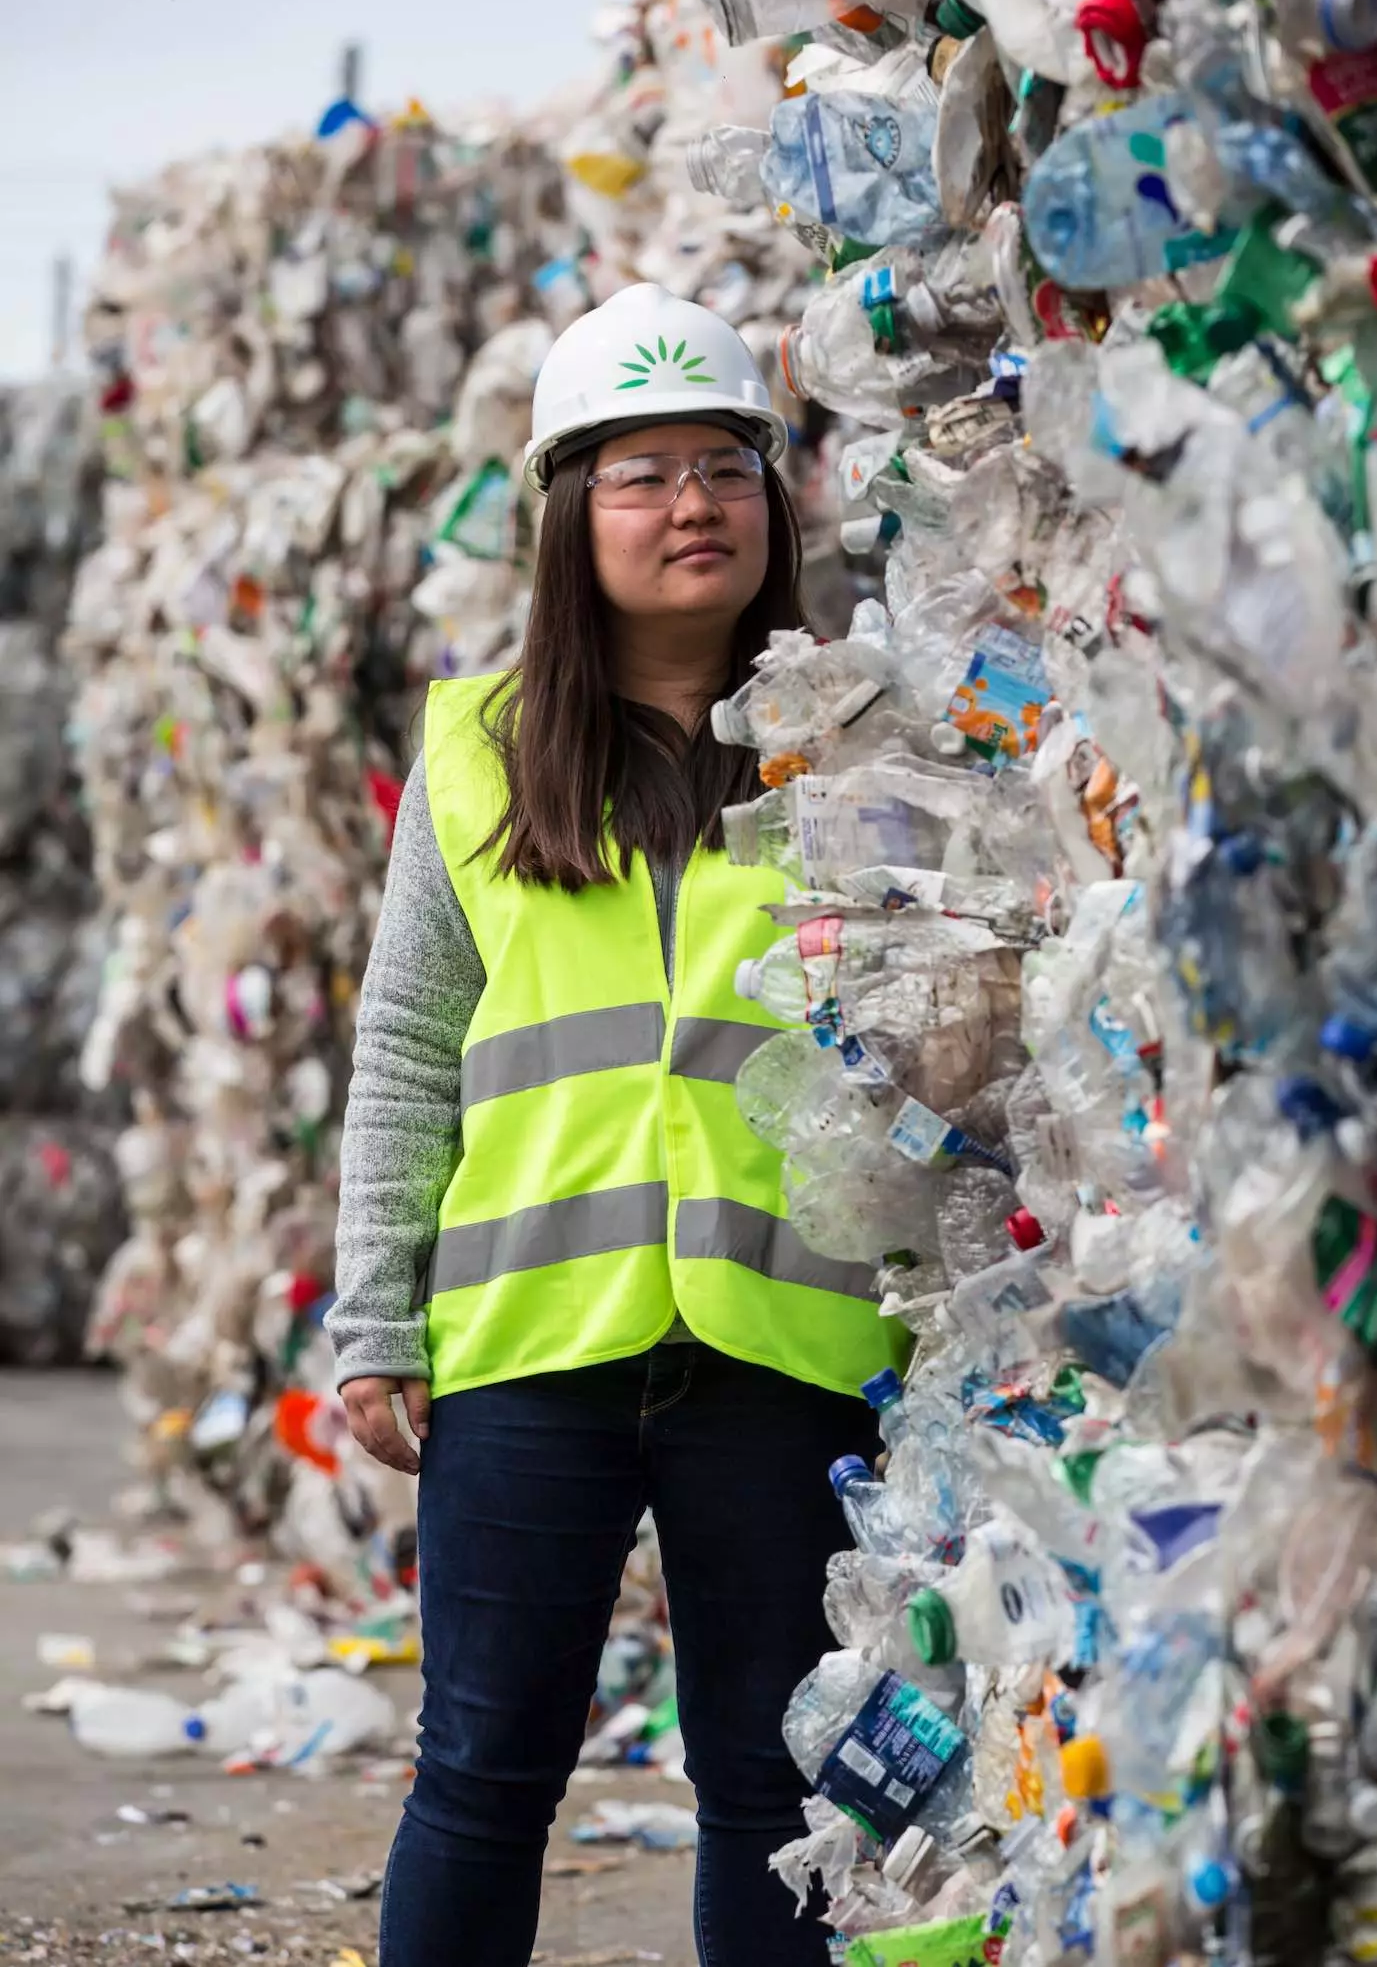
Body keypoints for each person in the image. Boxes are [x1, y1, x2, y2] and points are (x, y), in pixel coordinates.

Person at [328, 284, 908, 1967]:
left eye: (723, 464)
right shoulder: (479, 752)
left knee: (772, 1783)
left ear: (774, 498)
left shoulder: (865, 741)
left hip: (786, 1338)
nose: (691, 506)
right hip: (528, 1344)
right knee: (483, 1773)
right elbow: (409, 1047)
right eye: (639, 473)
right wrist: (378, 1311)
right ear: (570, 515)